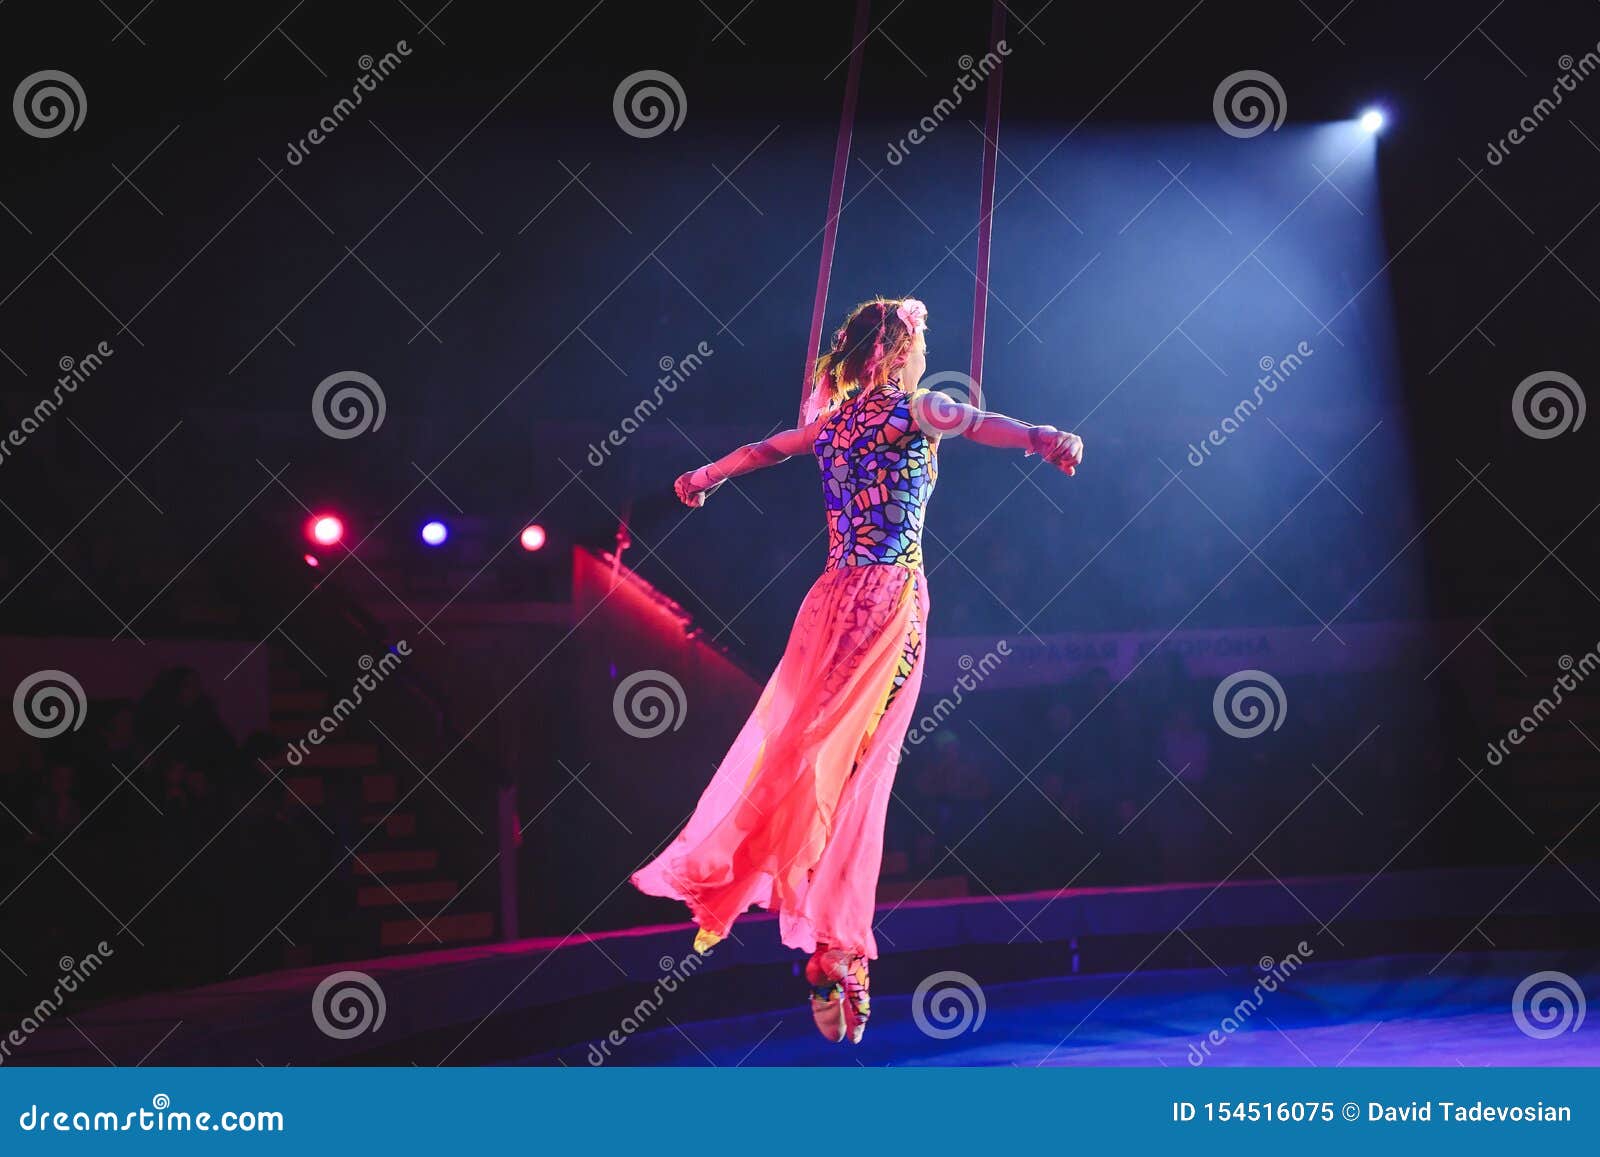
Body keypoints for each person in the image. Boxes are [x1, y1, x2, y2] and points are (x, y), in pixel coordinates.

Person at [631, 296, 1083, 1044]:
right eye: (917, 347)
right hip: (886, 600)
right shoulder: (913, 410)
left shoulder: (833, 424)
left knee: (811, 747)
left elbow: (764, 450)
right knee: (862, 762)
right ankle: (838, 941)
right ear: (896, 354)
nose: (922, 357)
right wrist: (1043, 438)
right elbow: (980, 424)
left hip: (828, 601)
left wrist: (702, 475)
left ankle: (824, 928)